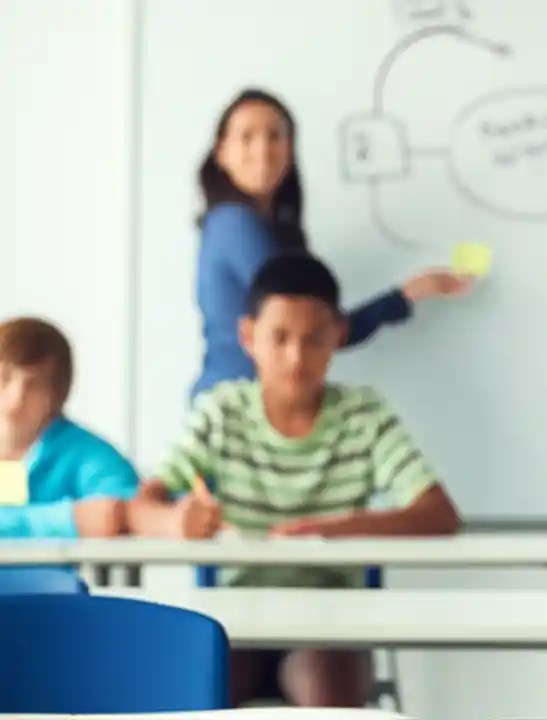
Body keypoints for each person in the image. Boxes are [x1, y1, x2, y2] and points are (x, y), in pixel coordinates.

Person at [128, 254, 462, 707]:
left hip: (332, 621)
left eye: (314, 339)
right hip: (238, 617)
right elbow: (141, 505)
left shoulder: (364, 415)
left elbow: (438, 513)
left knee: (327, 686)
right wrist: (175, 522)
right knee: (195, 683)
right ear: (248, 336)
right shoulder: (221, 412)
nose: (296, 358)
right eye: (280, 337)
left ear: (339, 336)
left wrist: (335, 529)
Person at [192, 87, 471, 399]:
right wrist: (406, 295)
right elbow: (312, 326)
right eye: (247, 137)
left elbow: (316, 328)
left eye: (275, 136)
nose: (263, 149)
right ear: (221, 153)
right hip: (235, 416)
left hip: (253, 410)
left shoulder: (257, 227)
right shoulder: (235, 224)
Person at [0, 318, 137, 538]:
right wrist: (70, 519)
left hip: (50, 574)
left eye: (34, 385)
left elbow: (129, 510)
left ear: (56, 395)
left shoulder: (87, 454)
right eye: (4, 377)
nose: (16, 398)